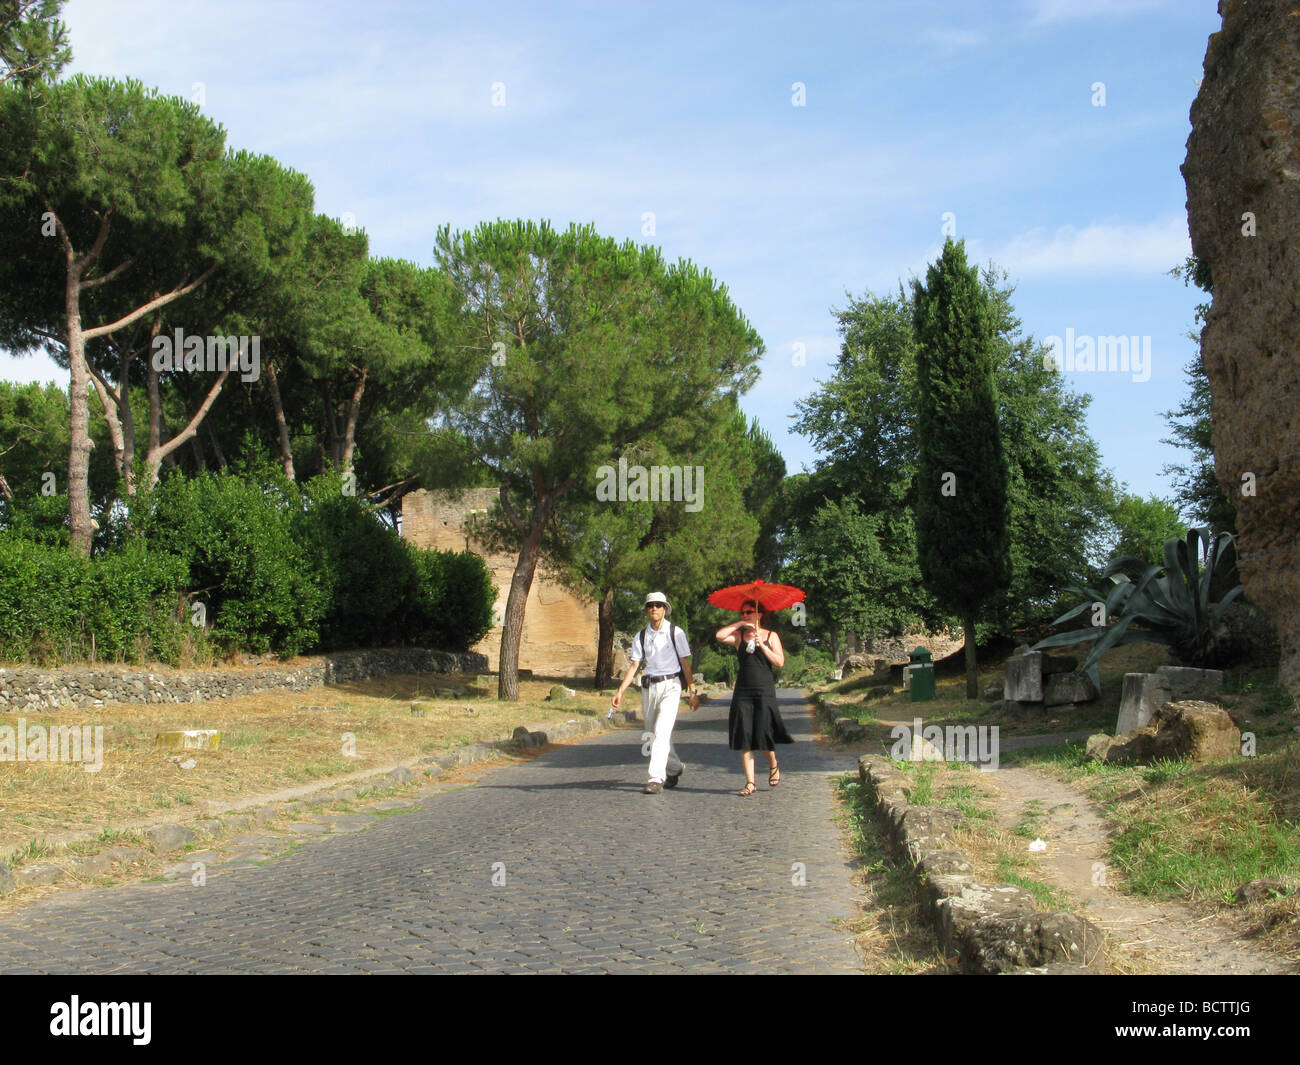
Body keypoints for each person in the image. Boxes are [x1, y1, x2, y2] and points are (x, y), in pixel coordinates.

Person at [610, 591, 698, 794]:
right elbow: (634, 666)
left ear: (665, 609)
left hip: (671, 686)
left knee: (661, 731)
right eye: (651, 606)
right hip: (649, 687)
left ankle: (656, 778)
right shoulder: (641, 636)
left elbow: (685, 662)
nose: (654, 609)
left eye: (658, 605)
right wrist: (620, 692)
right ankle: (675, 768)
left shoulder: (676, 632)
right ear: (646, 610)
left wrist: (693, 691)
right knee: (652, 733)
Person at [715, 600, 793, 796]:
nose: (745, 615)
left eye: (749, 612)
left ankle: (773, 763)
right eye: (742, 613)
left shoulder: (771, 636)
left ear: (759, 614)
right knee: (744, 736)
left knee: (762, 734)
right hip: (743, 691)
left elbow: (780, 662)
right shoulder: (739, 636)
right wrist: (740, 625)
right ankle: (750, 783)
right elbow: (719, 636)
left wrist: (763, 646)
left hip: (764, 690)